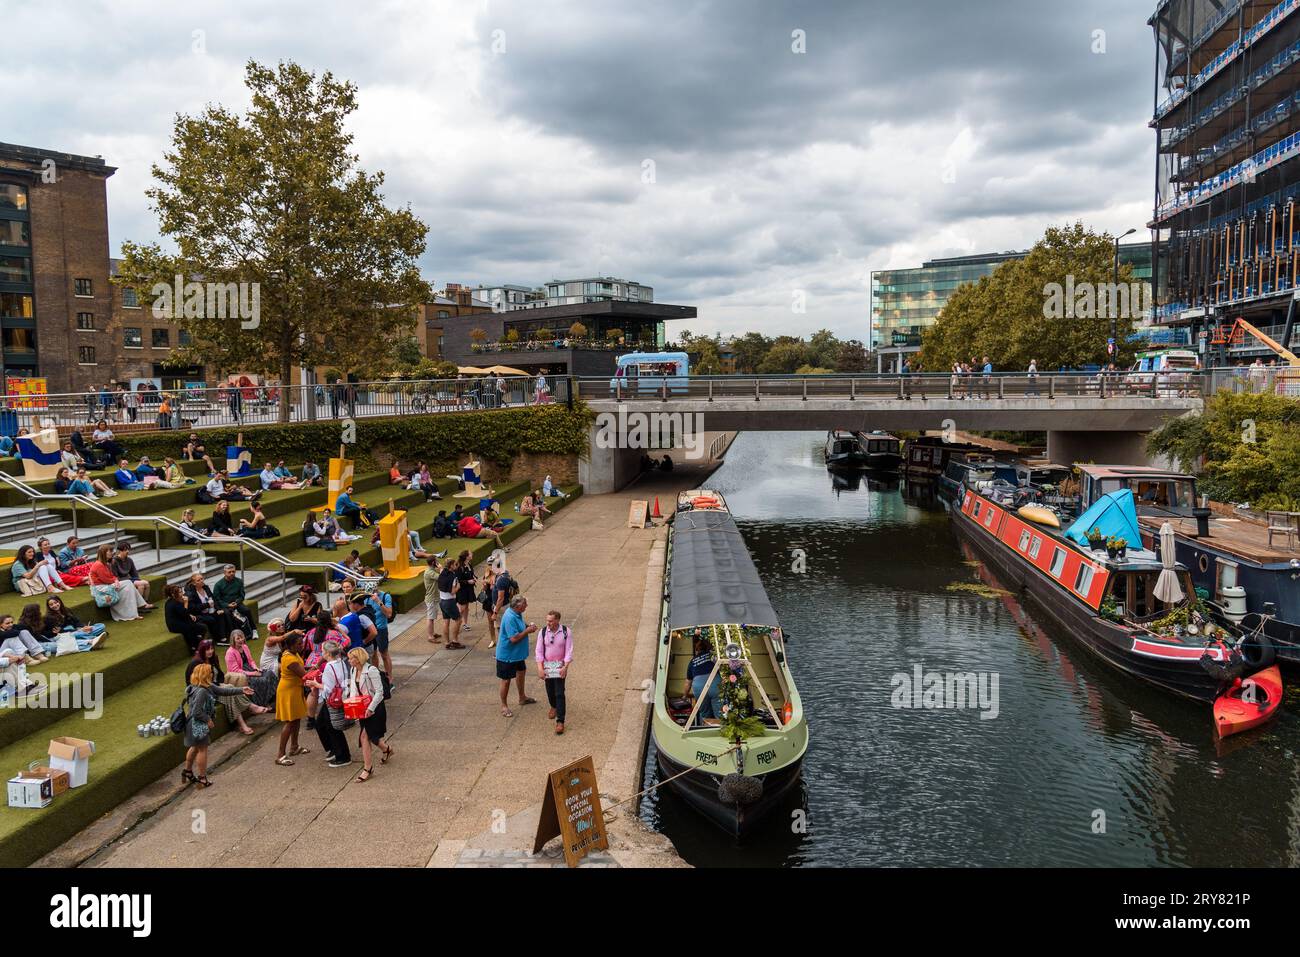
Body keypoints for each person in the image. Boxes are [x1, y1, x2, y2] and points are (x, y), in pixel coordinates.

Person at [182, 663, 255, 788]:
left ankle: (187, 771)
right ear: (206, 675)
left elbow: (223, 691)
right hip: (197, 724)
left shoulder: (202, 686)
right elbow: (196, 712)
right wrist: (207, 719)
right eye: (210, 672)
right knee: (202, 749)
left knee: (195, 747)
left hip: (192, 723)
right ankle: (202, 777)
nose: (213, 673)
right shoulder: (202, 691)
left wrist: (241, 690)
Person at [185, 639, 264, 735]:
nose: (210, 651)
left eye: (211, 649)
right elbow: (192, 684)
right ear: (202, 650)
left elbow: (218, 677)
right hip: (203, 691)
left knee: (229, 687)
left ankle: (249, 708)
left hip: (214, 685)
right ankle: (244, 721)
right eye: (207, 650)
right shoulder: (195, 663)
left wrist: (241, 689)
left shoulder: (213, 658)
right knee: (229, 694)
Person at [348, 647, 392, 782]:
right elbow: (353, 689)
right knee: (373, 736)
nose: (349, 661)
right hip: (362, 707)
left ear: (358, 658)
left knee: (364, 737)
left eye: (351, 658)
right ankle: (387, 749)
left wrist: (371, 708)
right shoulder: (353, 670)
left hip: (375, 708)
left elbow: (379, 692)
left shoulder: (371, 671)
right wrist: (353, 707)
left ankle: (368, 768)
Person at [274, 631, 311, 766]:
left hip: (295, 690)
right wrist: (320, 664)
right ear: (290, 645)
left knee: (296, 719)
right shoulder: (289, 659)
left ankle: (294, 747)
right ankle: (280, 754)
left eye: (302, 643)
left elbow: (302, 668)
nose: (302, 646)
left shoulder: (292, 654)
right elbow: (305, 675)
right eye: (299, 644)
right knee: (290, 722)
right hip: (288, 692)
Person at [496, 595, 537, 717]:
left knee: (521, 672)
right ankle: (504, 706)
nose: (526, 606)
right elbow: (513, 638)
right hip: (507, 655)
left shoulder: (516, 613)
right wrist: (527, 631)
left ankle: (522, 697)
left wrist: (527, 626)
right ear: (518, 606)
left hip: (517, 655)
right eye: (525, 604)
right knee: (506, 680)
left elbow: (520, 625)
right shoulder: (509, 617)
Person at [315, 640, 353, 767]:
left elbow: (327, 689)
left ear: (326, 653)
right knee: (321, 723)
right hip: (341, 695)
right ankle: (334, 750)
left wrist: (315, 684)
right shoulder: (342, 662)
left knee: (332, 727)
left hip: (332, 699)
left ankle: (342, 756)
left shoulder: (328, 666)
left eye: (322, 651)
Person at [535, 610, 573, 734]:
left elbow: (569, 651)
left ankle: (560, 721)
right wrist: (540, 668)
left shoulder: (566, 632)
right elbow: (539, 651)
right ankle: (553, 706)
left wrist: (565, 667)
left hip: (560, 667)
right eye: (547, 620)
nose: (548, 623)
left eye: (551, 621)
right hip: (547, 667)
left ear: (557, 620)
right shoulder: (543, 632)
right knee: (550, 690)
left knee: (559, 693)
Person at [224, 629, 279, 709]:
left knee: (270, 673)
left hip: (250, 669)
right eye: (238, 638)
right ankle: (264, 703)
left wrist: (255, 668)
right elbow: (235, 670)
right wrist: (253, 673)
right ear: (233, 640)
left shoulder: (245, 647)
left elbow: (251, 661)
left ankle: (274, 698)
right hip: (240, 675)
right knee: (261, 680)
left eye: (242, 637)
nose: (241, 640)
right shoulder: (230, 652)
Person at [91, 544, 146, 619]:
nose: (112, 553)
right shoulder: (99, 565)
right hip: (101, 589)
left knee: (128, 586)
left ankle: (134, 611)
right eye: (110, 551)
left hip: (107, 585)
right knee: (128, 583)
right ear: (104, 553)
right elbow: (106, 579)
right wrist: (115, 581)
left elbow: (112, 576)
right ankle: (139, 606)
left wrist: (115, 580)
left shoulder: (104, 564)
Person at [41, 596, 106, 650]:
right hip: (63, 635)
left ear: (59, 601)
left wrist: (84, 627)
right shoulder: (49, 618)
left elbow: (76, 622)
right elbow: (61, 631)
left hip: (75, 630)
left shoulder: (66, 610)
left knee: (101, 626)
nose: (54, 605)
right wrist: (79, 630)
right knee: (76, 634)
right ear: (48, 606)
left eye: (56, 602)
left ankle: (90, 636)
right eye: (51, 604)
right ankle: (92, 638)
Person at [684, 635, 720, 723]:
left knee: (705, 714)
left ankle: (706, 731)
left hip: (699, 687)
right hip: (715, 683)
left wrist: (685, 695)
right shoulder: (713, 655)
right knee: (720, 713)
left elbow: (688, 682)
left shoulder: (692, 662)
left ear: (697, 650)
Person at [212, 564, 257, 633]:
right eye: (229, 572)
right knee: (228, 613)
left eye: (233, 571)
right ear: (224, 573)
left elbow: (242, 595)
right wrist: (227, 605)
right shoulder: (218, 585)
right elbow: (217, 600)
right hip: (225, 605)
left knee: (247, 610)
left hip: (237, 603)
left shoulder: (239, 581)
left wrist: (237, 602)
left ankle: (254, 630)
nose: (232, 573)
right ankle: (233, 633)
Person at [110, 543, 154, 609]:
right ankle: (139, 606)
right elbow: (115, 576)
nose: (127, 551)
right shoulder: (114, 561)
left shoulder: (129, 560)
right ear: (120, 551)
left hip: (129, 579)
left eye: (128, 549)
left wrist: (137, 580)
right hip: (121, 581)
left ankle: (145, 602)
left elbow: (134, 573)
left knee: (146, 583)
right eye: (125, 550)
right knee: (141, 585)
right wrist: (136, 582)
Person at [164, 584, 207, 652]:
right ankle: (194, 648)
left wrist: (190, 615)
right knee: (199, 627)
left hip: (180, 620)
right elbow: (184, 613)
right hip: (175, 625)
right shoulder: (174, 603)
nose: (183, 593)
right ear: (173, 594)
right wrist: (186, 602)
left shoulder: (173, 601)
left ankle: (198, 640)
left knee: (199, 621)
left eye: (182, 591)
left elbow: (182, 613)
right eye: (180, 592)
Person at [437, 556, 465, 649]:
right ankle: (455, 641)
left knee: (446, 622)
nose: (456, 566)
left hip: (442, 601)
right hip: (449, 602)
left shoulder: (442, 573)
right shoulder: (453, 577)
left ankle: (447, 643)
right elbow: (453, 591)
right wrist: (458, 587)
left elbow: (440, 569)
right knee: (458, 620)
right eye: (455, 565)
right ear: (451, 566)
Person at [423, 555, 443, 645]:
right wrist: (441, 568)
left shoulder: (431, 571)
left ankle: (433, 633)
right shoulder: (429, 572)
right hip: (431, 598)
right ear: (433, 563)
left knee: (432, 617)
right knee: (430, 618)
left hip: (433, 597)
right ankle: (430, 636)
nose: (438, 563)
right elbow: (441, 578)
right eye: (436, 561)